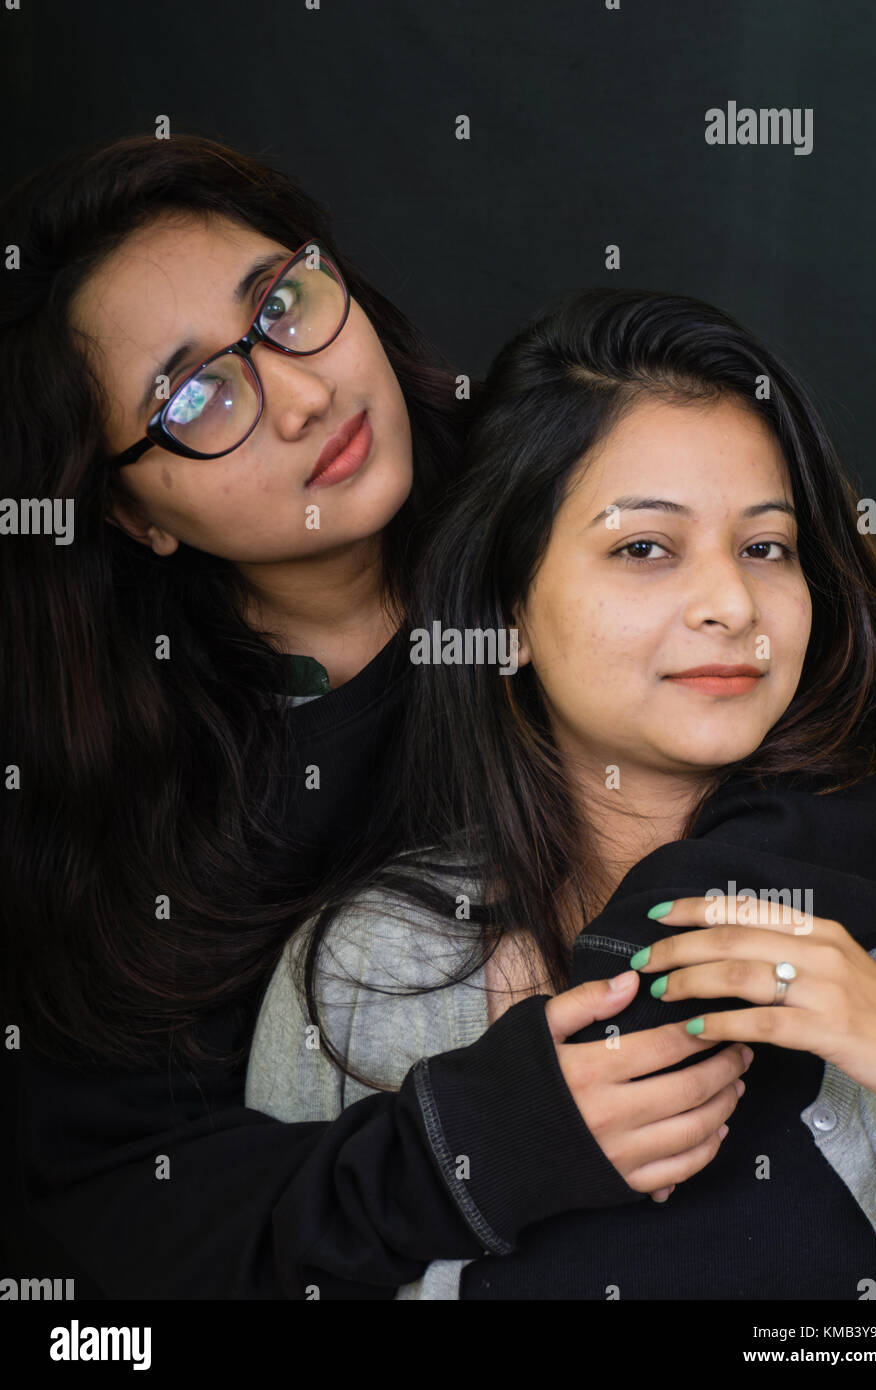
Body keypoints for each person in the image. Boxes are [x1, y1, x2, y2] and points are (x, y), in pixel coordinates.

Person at [0, 136, 752, 1299]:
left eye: (283, 303)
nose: (303, 395)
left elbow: (853, 706)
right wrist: (461, 1147)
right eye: (197, 395)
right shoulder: (113, 795)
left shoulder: (563, 481)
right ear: (131, 513)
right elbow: (116, 1221)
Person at [246, 287, 876, 1298]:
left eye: (765, 546)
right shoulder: (368, 968)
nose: (730, 603)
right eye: (642, 548)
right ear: (505, 615)